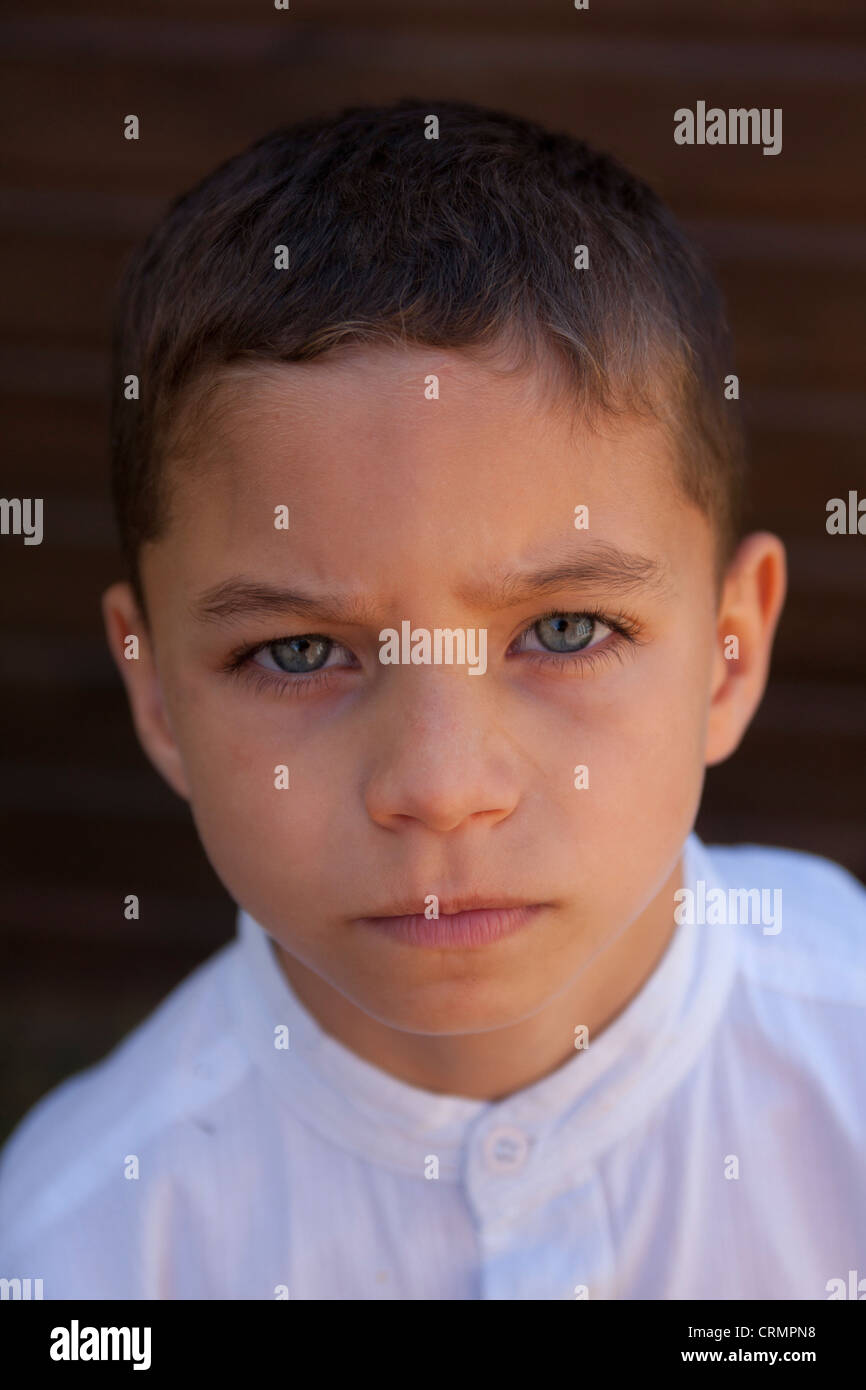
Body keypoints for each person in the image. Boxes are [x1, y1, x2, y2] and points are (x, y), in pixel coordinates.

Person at [1, 99, 863, 1300]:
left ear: (727, 651)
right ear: (153, 691)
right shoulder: (73, 1252)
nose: (440, 787)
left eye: (564, 630)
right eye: (299, 652)